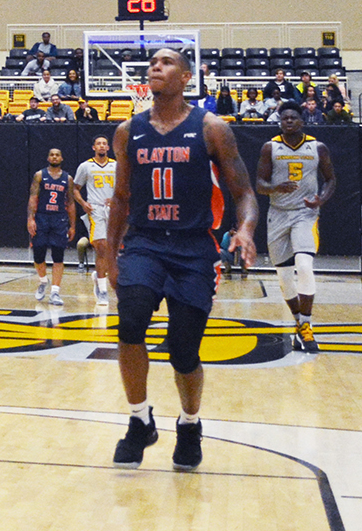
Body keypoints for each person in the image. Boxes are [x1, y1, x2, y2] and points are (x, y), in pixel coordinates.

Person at [106, 48, 259, 471]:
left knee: (184, 351)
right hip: (144, 242)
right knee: (131, 323)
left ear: (187, 77)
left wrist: (244, 230)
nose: (156, 66)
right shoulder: (127, 131)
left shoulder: (211, 129)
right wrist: (110, 252)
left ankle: (190, 424)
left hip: (193, 246)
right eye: (153, 62)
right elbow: (121, 197)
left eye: (167, 62)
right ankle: (140, 421)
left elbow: (244, 192)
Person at [255, 101, 336, 355]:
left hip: (305, 213)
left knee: (304, 264)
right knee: (284, 277)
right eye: (284, 118)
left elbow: (331, 179)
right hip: (278, 213)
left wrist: (320, 199)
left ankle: (307, 325)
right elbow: (259, 183)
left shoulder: (317, 147)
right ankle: (299, 323)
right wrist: (274, 188)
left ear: (302, 121)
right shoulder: (271, 147)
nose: (288, 121)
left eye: (293, 117)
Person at [69, 135, 118, 306]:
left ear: (108, 148)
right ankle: (103, 291)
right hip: (95, 209)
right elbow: (75, 188)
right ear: (94, 148)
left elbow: (125, 186)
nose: (102, 146)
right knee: (101, 246)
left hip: (113, 210)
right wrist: (83, 203)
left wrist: (117, 199)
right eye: (99, 144)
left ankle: (98, 277)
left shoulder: (116, 165)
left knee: (112, 250)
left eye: (105, 144)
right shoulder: (86, 166)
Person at [28, 149, 77, 305]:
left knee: (58, 256)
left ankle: (55, 292)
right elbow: (33, 198)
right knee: (38, 254)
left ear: (61, 158)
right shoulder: (39, 175)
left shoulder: (67, 178)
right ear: (48, 157)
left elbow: (70, 202)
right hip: (42, 217)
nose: (54, 157)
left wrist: (73, 225)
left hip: (59, 219)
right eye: (52, 154)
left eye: (57, 154)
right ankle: (43, 281)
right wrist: (30, 218)